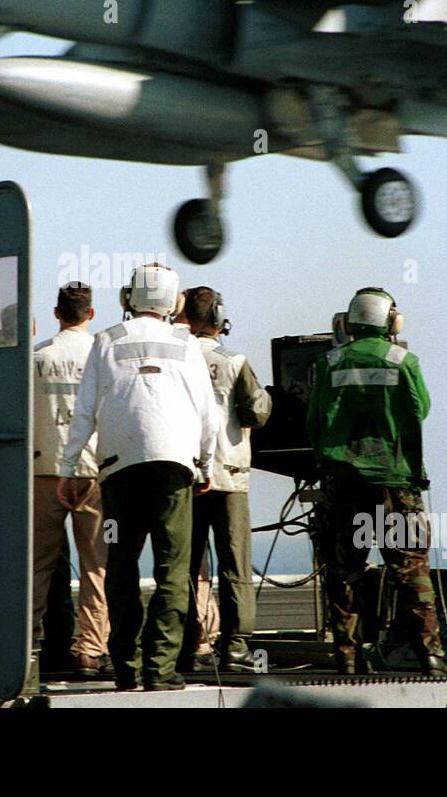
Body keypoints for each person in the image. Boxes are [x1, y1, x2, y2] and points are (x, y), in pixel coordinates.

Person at [60, 263, 218, 691]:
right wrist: (205, 464)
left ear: (128, 299)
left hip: (118, 470)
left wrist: (69, 468)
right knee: (173, 568)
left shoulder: (106, 341)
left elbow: (84, 411)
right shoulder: (186, 343)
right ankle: (160, 670)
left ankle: (126, 668)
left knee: (120, 567)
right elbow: (208, 414)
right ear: (173, 302)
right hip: (175, 470)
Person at [305, 286, 447, 677]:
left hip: (345, 484)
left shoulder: (328, 363)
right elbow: (422, 409)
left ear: (349, 322)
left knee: (346, 568)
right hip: (396, 482)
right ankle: (429, 657)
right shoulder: (405, 361)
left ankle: (348, 657)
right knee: (410, 570)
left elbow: (314, 424)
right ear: (391, 322)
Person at [177, 287, 271, 673]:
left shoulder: (176, 356)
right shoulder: (235, 361)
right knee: (235, 564)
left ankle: (187, 647)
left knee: (184, 565)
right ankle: (235, 648)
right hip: (228, 475)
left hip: (186, 475)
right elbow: (257, 413)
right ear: (217, 316)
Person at [32, 282, 109, 679]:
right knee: (96, 564)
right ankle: (91, 650)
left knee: (39, 565)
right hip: (94, 471)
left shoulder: (37, 356)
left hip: (45, 469)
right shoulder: (104, 354)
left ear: (57, 312)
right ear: (91, 314)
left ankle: (27, 645)